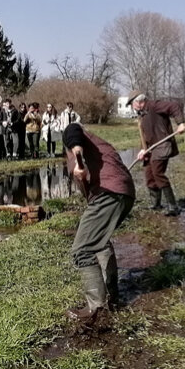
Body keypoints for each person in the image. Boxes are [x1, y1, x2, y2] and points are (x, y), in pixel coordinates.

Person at [62, 123, 136, 322]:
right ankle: (112, 296)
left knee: (82, 249)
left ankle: (96, 308)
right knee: (100, 243)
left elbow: (72, 130)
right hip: (124, 193)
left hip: (109, 194)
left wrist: (76, 153)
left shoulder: (75, 138)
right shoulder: (100, 145)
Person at [128, 92, 185, 216]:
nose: (132, 107)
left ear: (138, 102)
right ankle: (156, 203)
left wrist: (180, 123)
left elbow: (174, 106)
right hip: (150, 149)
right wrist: (143, 150)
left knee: (157, 173)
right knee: (149, 174)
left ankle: (173, 207)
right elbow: (146, 136)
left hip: (162, 145)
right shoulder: (142, 115)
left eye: (132, 104)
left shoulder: (154, 106)